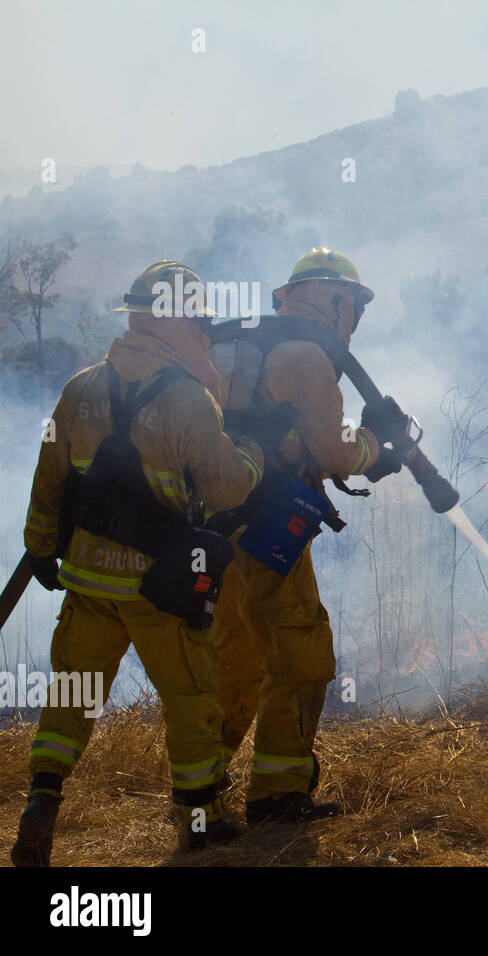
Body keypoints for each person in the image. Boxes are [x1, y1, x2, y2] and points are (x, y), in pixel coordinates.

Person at [11, 261, 266, 865]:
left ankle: (41, 800)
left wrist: (44, 547)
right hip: (158, 586)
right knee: (189, 696)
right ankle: (199, 825)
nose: (204, 335)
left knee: (72, 693)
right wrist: (252, 454)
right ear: (177, 322)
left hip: (86, 580)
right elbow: (227, 487)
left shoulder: (80, 388)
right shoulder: (188, 398)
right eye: (197, 322)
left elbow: (48, 480)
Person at [211, 247, 405, 825]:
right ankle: (278, 796)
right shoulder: (308, 355)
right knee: (302, 655)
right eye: (354, 306)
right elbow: (331, 451)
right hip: (264, 527)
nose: (354, 319)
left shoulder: (231, 345)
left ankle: (202, 784)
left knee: (237, 656)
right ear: (337, 300)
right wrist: (374, 447)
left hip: (207, 528)